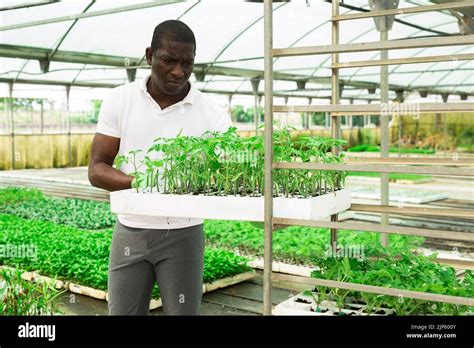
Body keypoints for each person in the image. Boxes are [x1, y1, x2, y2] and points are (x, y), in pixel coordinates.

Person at [88, 20, 232, 315]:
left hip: (185, 233)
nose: (178, 71)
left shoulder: (213, 112)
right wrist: (143, 183)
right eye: (169, 60)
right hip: (131, 229)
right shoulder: (120, 100)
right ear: (149, 56)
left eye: (187, 63)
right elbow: (97, 168)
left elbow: (227, 172)